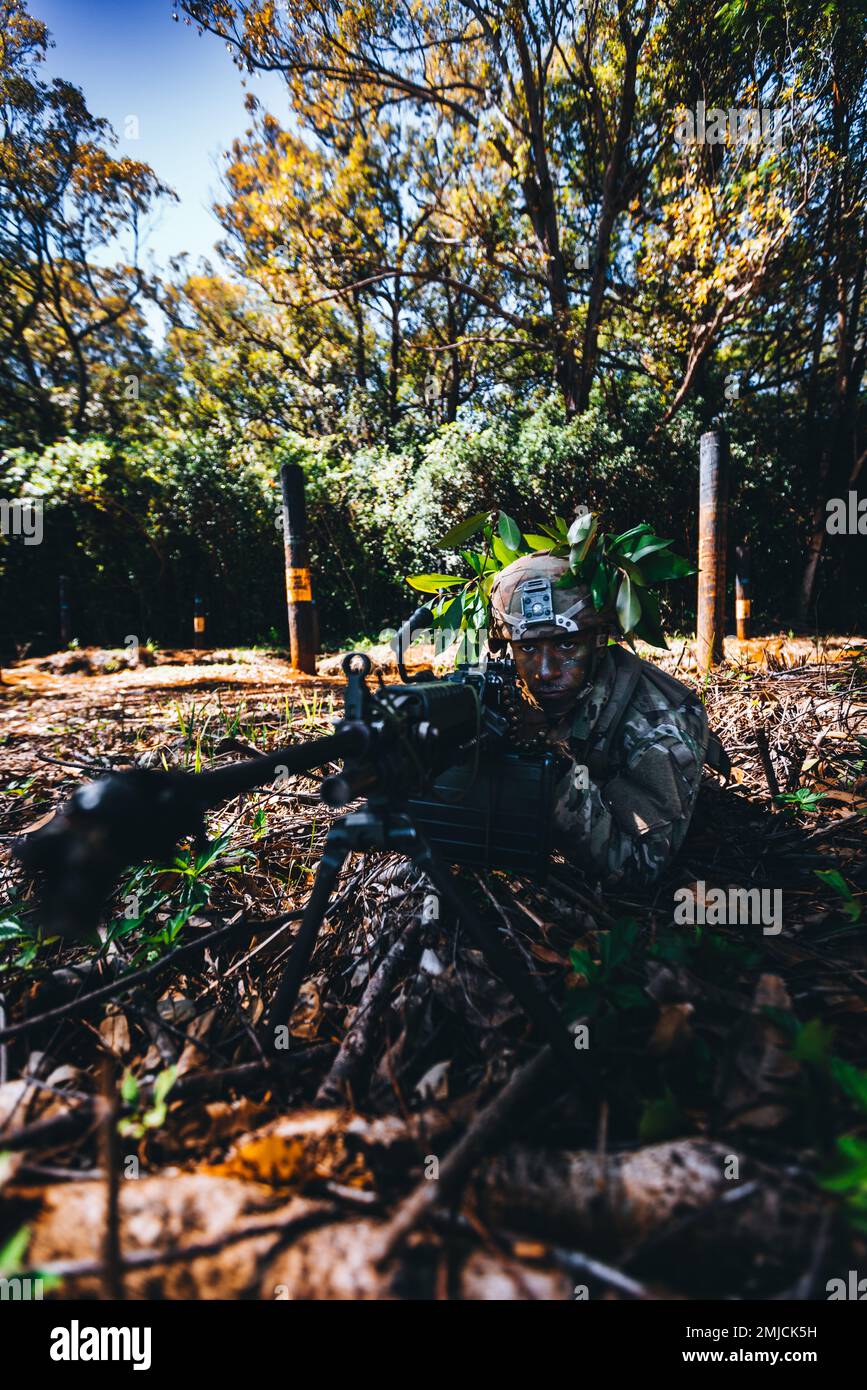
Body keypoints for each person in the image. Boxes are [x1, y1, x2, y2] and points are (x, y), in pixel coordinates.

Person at [488, 552, 720, 887]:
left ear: (599, 642)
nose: (545, 671)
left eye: (566, 645)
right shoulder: (511, 689)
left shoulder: (658, 725)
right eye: (526, 649)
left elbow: (639, 867)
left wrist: (549, 764)